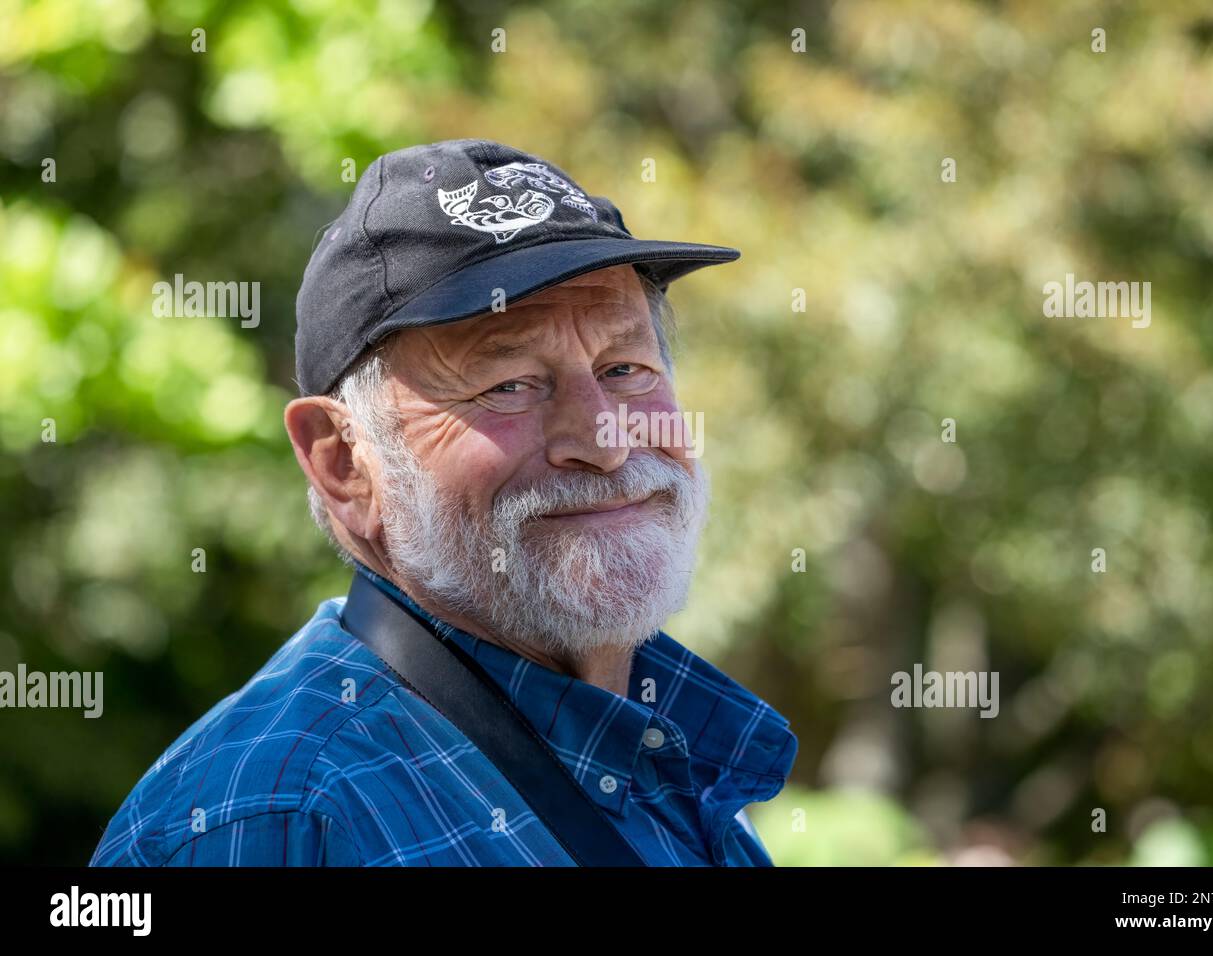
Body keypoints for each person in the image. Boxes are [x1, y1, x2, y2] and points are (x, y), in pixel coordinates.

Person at [90, 139, 796, 866]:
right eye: (508, 385)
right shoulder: (277, 823)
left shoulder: (664, 765)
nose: (606, 441)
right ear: (343, 463)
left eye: (624, 368)